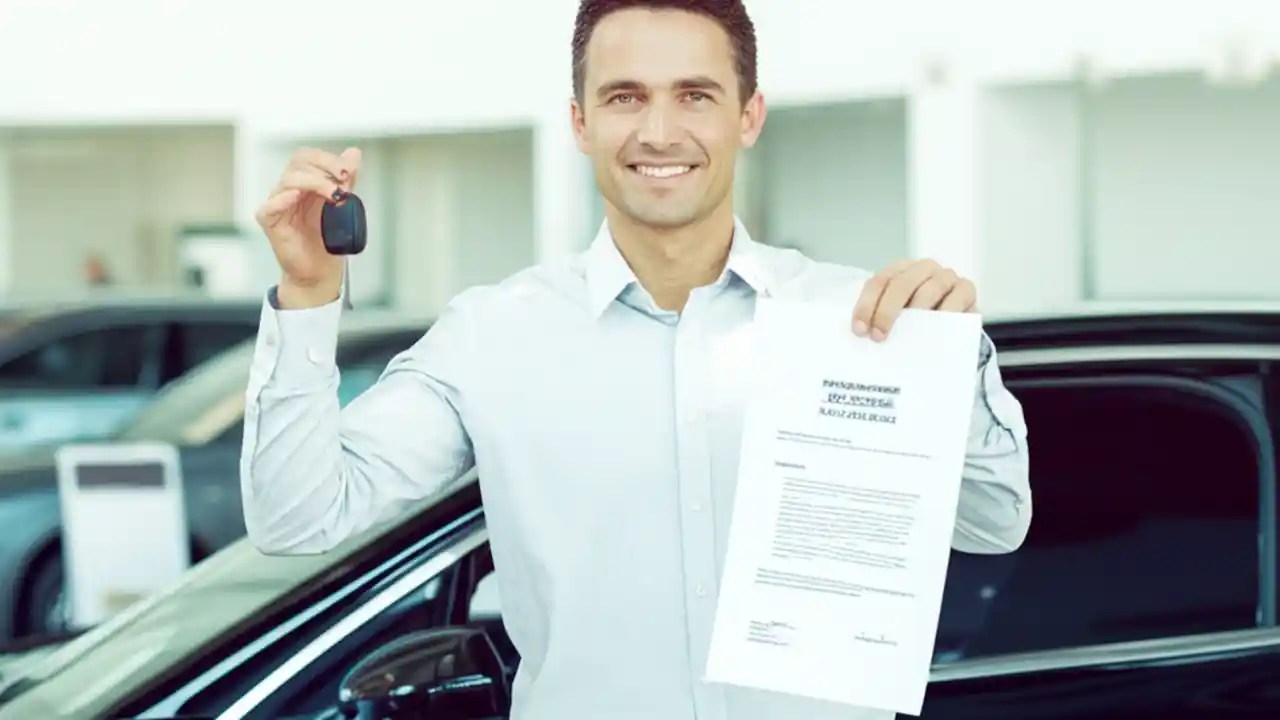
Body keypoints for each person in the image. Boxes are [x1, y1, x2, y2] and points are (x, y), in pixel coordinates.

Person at [242, 1, 1031, 718]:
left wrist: (954, 359)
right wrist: (309, 293)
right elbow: (298, 518)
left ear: (747, 116)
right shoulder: (491, 336)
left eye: (695, 95)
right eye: (626, 97)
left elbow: (995, 524)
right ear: (580, 122)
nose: (659, 132)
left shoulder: (858, 321)